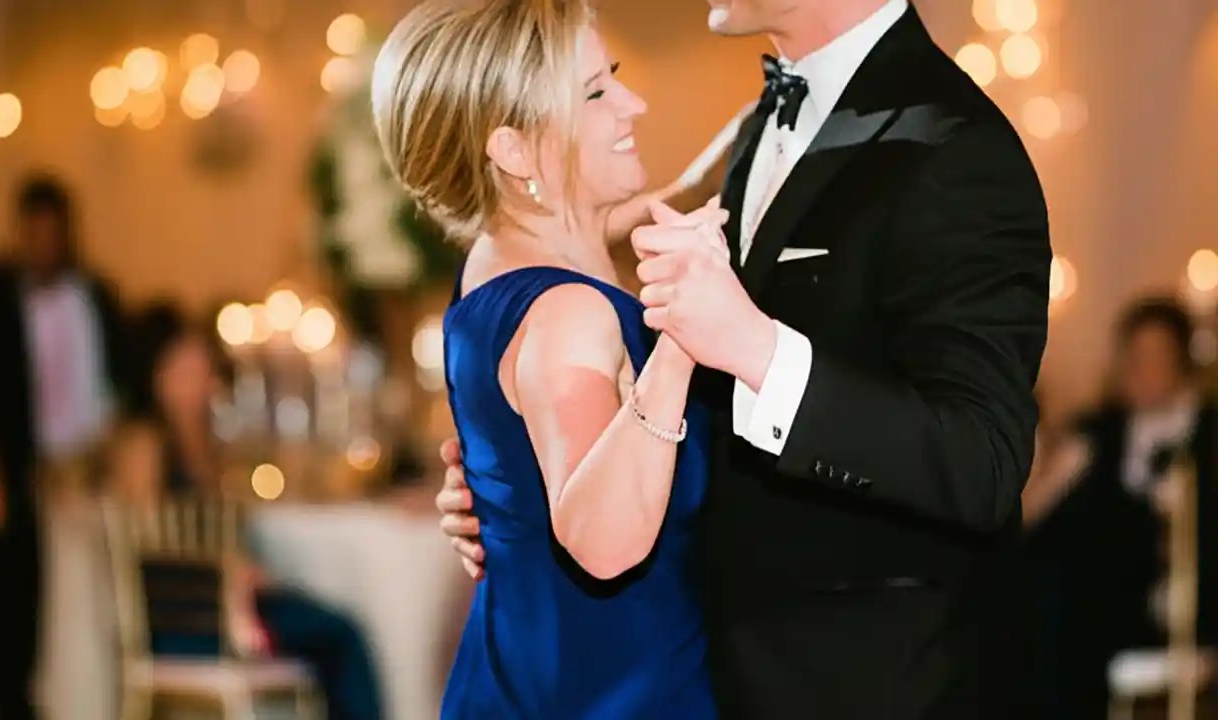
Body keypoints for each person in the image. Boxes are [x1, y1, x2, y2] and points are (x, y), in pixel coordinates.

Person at [439, 0, 1052, 717]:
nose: (631, 102)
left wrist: (755, 349)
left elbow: (982, 463)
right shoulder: (765, 121)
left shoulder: (955, 147)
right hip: (666, 672)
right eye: (599, 88)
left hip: (865, 687)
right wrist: (509, 485)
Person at [372, 1, 731, 716]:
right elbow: (604, 544)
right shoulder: (568, 314)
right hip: (611, 697)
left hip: (522, 679)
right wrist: (682, 339)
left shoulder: (500, 258)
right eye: (595, 93)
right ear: (514, 152)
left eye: (613, 74)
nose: (633, 103)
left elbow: (686, 196)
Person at [108, 304, 382, 720]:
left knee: (338, 634)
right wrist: (227, 573)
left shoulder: (209, 447)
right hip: (189, 620)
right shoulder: (144, 445)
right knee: (341, 637)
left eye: (204, 367)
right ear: (159, 374)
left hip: (231, 608)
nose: (204, 380)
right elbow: (148, 541)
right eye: (189, 368)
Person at [0, 173, 127, 720]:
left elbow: (111, 391)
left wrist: (92, 461)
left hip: (83, 470)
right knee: (7, 597)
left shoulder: (95, 299)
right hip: (11, 474)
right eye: (34, 232)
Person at [1024, 298, 1218, 718]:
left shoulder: (1208, 434)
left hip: (1194, 608)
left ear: (1181, 359)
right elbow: (1029, 523)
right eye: (1134, 356)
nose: (1142, 369)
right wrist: (1060, 477)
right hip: (1103, 614)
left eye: (1155, 355)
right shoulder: (1098, 433)